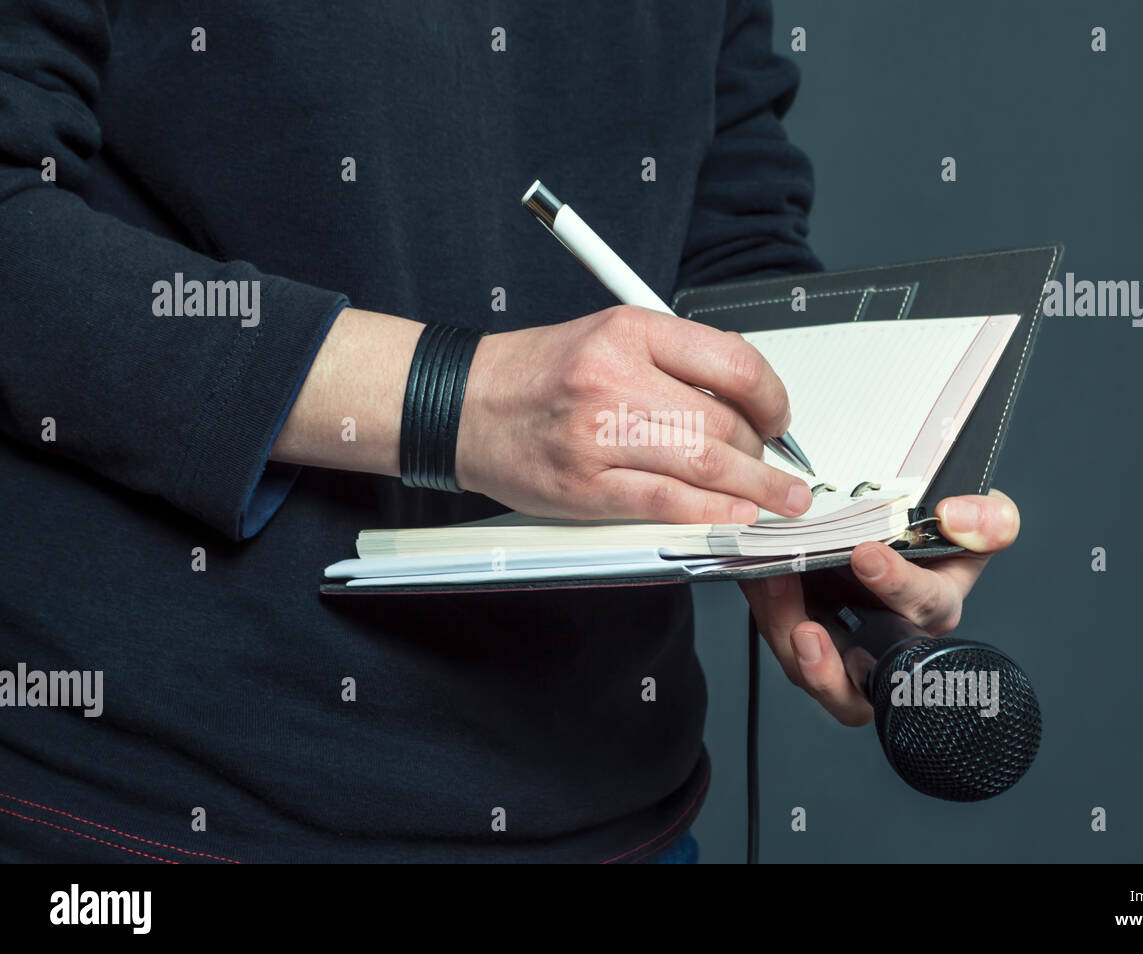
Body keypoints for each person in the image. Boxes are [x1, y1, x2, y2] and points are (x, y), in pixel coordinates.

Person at [0, 1, 1019, 863]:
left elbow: (728, 224)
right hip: (155, 812)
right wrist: (457, 399)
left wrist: (840, 516)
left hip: (625, 807)